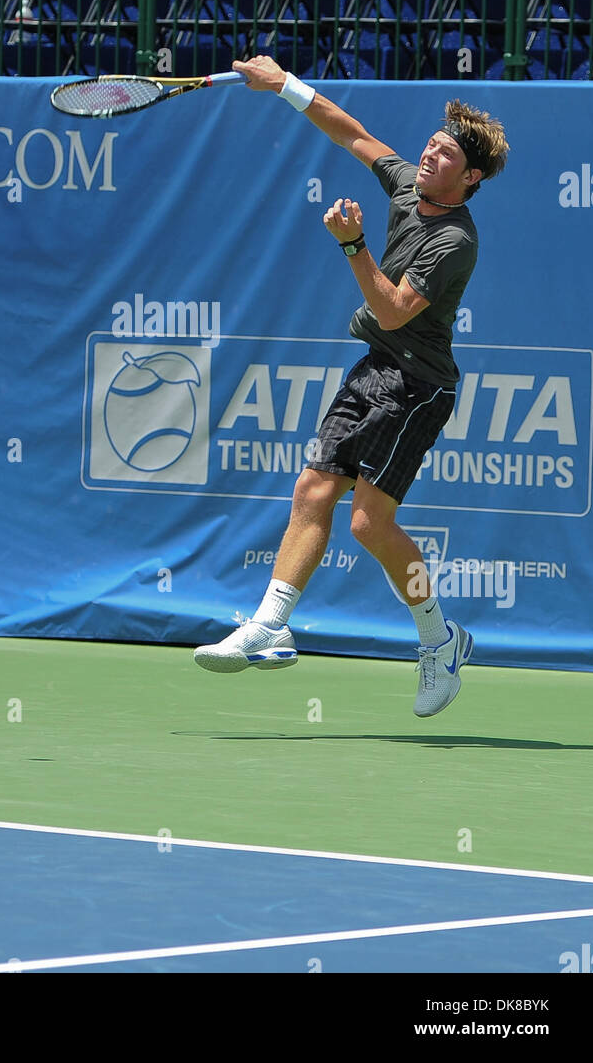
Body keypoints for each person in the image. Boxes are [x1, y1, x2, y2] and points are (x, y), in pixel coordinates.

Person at [193, 54, 509, 718]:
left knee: (369, 523)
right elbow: (349, 131)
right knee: (313, 487)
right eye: (430, 144)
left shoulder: (455, 239)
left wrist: (352, 245)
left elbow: (393, 308)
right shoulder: (404, 185)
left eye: (445, 154)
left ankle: (439, 638)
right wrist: (283, 84)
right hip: (374, 367)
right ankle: (272, 624)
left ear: (471, 176)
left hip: (418, 385)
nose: (428, 155)